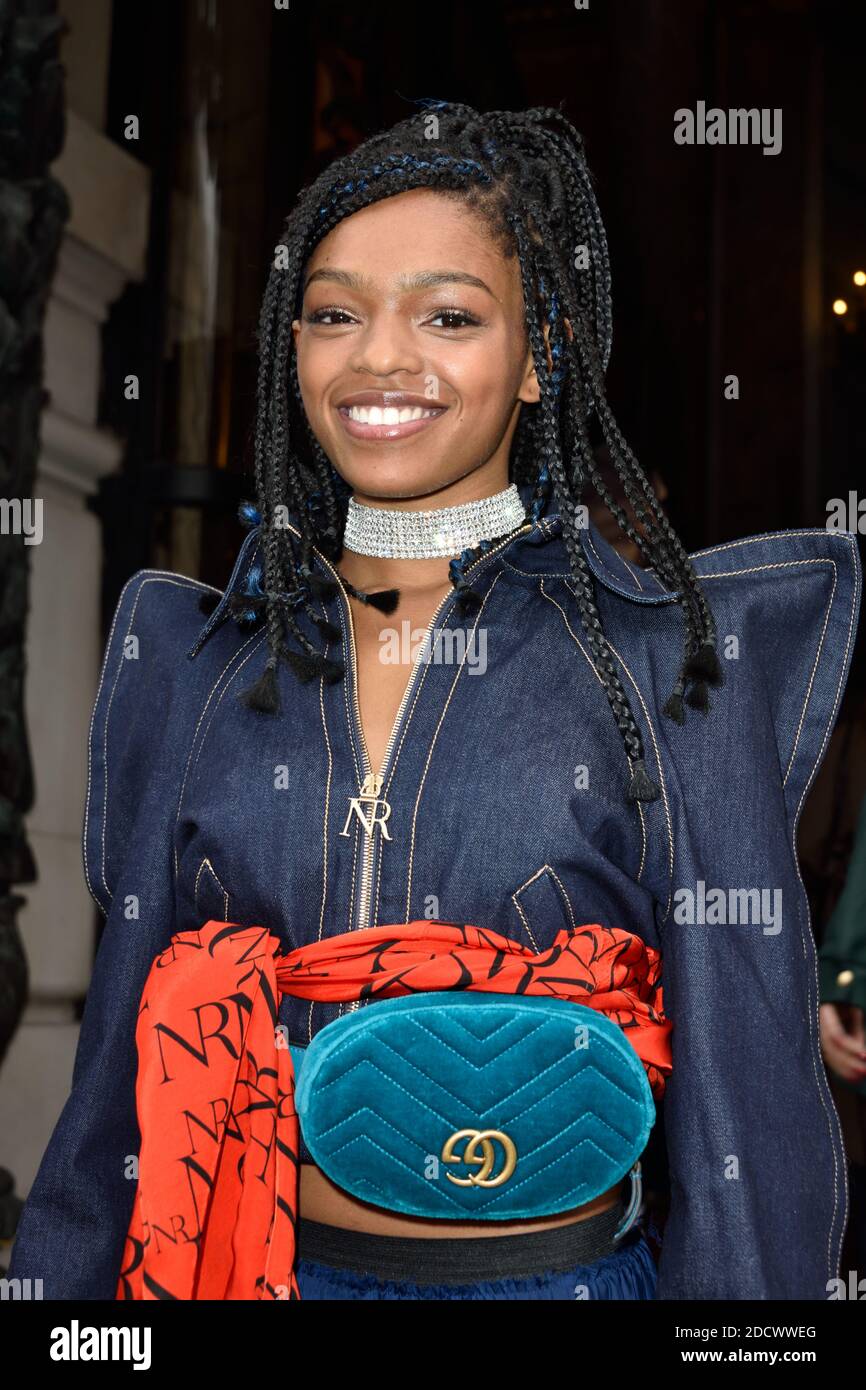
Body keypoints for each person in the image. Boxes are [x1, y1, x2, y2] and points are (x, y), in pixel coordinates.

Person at [8, 101, 861, 1300]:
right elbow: (108, 1100)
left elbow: (750, 1110)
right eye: (333, 314)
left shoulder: (671, 668)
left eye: (448, 315)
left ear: (539, 356)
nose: (378, 360)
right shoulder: (196, 667)